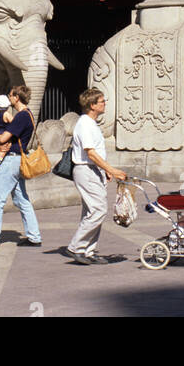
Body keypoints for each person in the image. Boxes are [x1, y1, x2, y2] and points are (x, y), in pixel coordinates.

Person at [64, 88, 127, 265]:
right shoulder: (84, 123)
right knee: (98, 210)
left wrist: (105, 169)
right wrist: (112, 169)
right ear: (92, 105)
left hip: (93, 170)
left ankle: (88, 251)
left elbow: (95, 153)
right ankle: (76, 246)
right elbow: (90, 153)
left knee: (92, 211)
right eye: (101, 101)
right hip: (86, 170)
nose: (104, 103)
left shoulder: (91, 123)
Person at [0, 86, 41, 249]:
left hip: (11, 160)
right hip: (18, 159)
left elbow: (3, 138)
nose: (8, 97)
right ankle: (34, 236)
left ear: (17, 98)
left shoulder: (21, 117)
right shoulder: (28, 115)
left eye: (11, 95)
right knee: (22, 199)